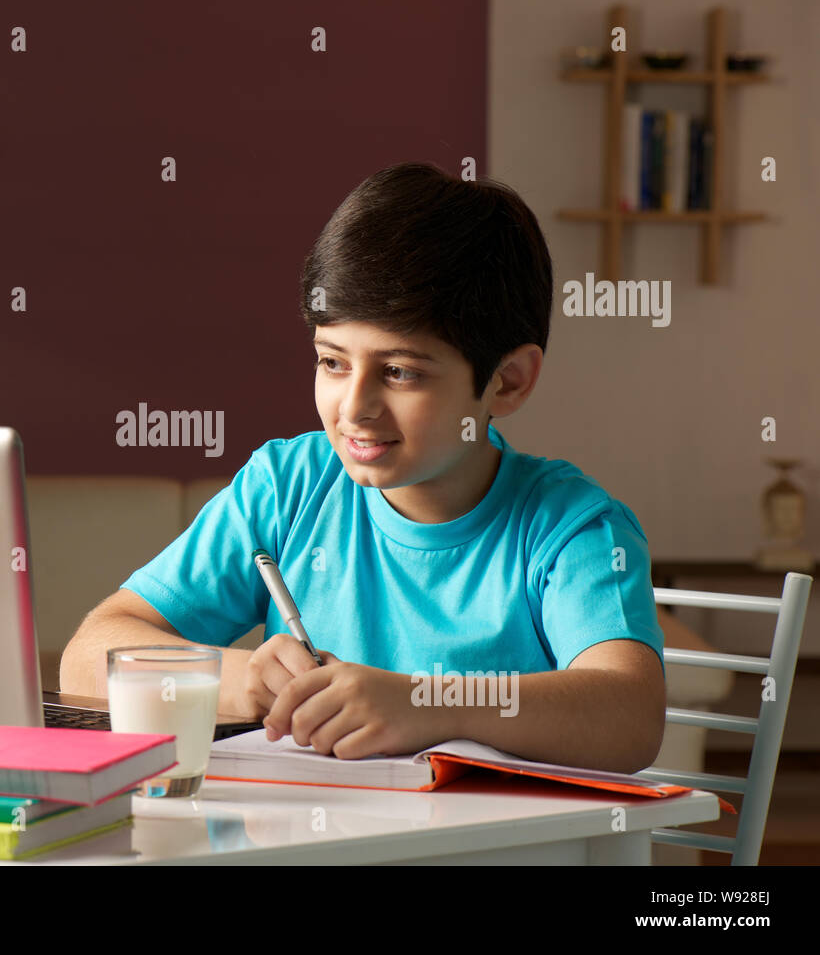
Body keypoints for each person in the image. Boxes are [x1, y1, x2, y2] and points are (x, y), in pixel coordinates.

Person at [60, 162, 665, 774]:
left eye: (400, 372)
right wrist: (246, 679)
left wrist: (431, 703)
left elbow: (629, 714)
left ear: (507, 382)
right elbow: (88, 655)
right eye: (332, 362)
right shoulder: (287, 485)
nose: (353, 408)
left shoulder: (571, 526)